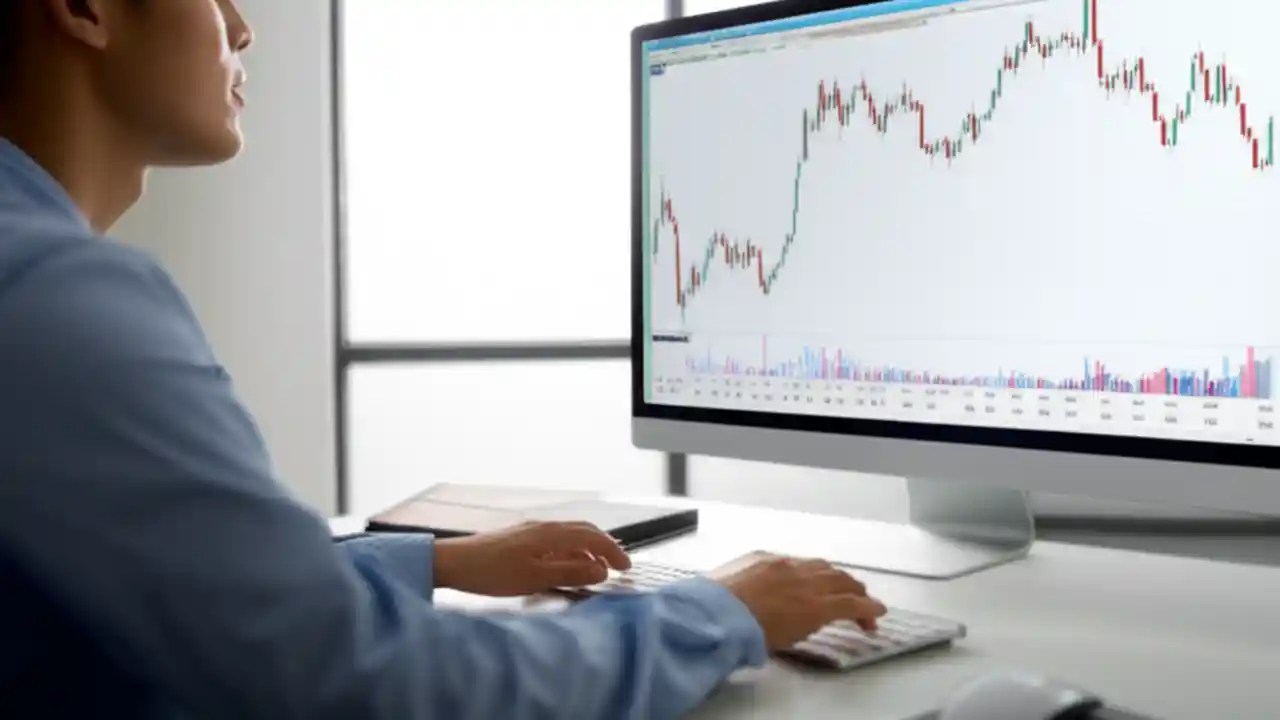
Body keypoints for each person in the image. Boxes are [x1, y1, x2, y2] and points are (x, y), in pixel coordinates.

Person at [0, 1, 887, 718]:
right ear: (83, 9)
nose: (243, 26)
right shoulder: (53, 294)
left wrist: (432, 562)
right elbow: (360, 683)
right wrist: (715, 614)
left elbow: (189, 598)